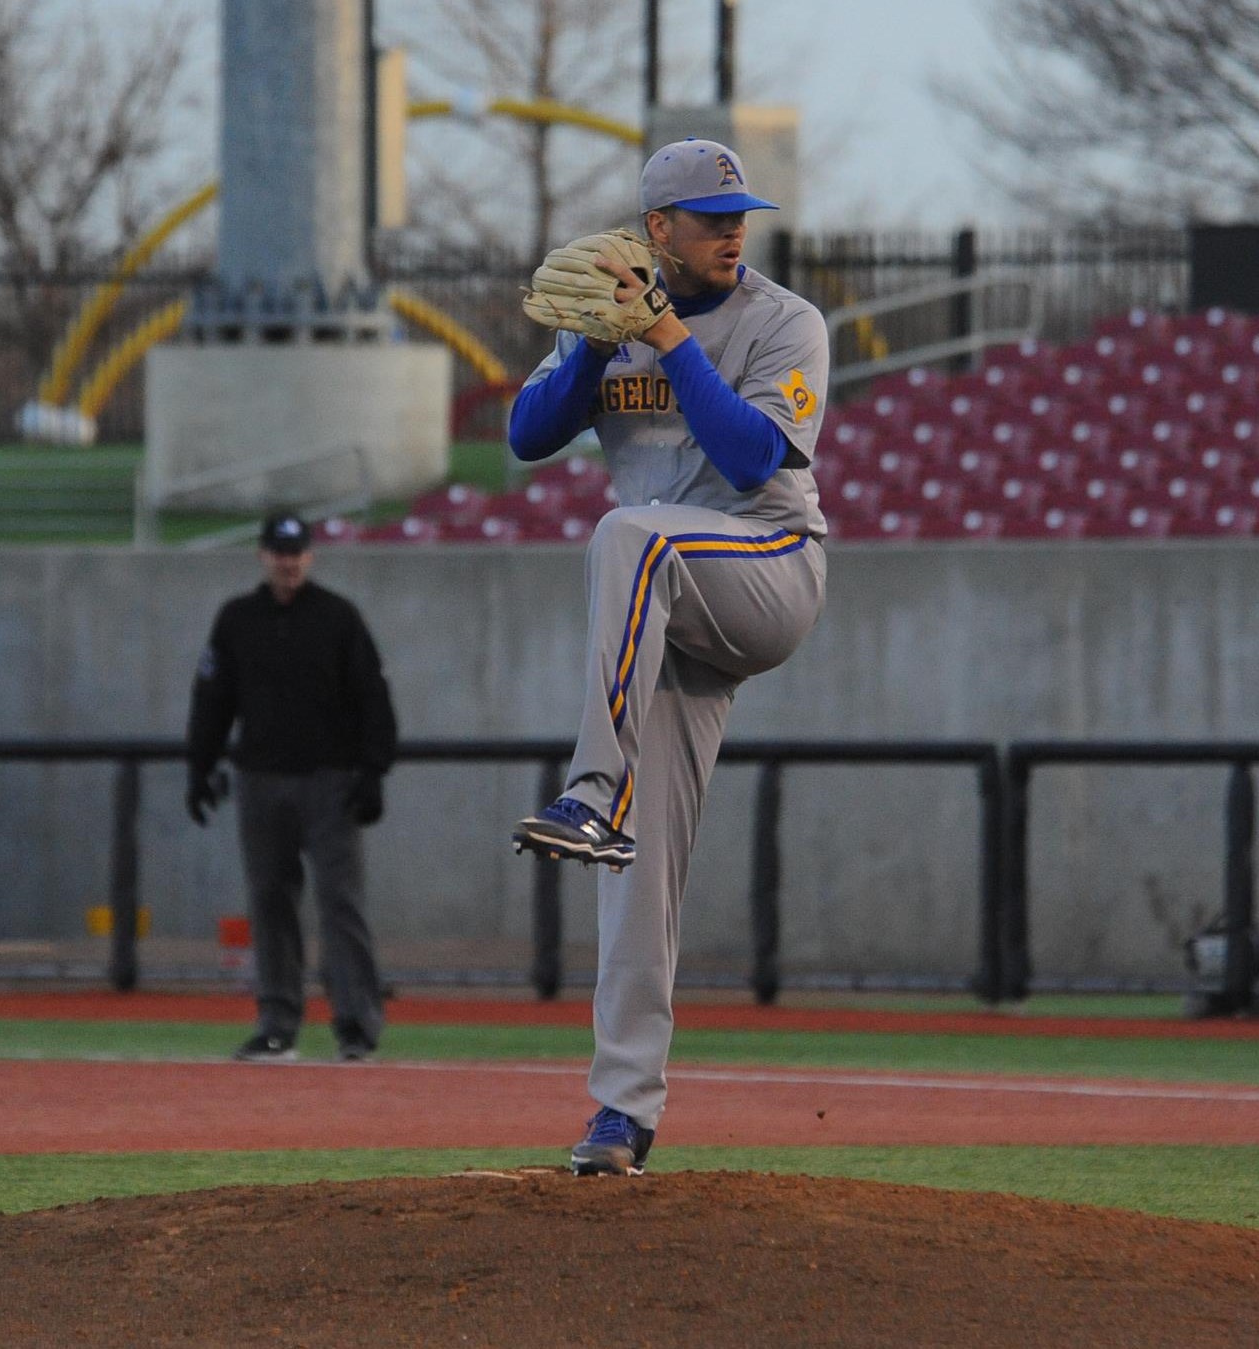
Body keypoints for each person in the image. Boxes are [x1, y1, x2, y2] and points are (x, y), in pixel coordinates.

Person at [507, 138, 830, 1174]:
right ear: (657, 229)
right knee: (637, 869)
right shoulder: (613, 313)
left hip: (768, 572)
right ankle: (621, 1110)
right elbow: (525, 435)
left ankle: (591, 783)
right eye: (707, 216)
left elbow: (747, 459)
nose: (731, 230)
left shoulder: (785, 322)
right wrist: (598, 349)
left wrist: (665, 338)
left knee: (626, 532)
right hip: (663, 612)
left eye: (739, 213)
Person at [185, 509, 398, 1064]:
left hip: (330, 780)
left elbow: (373, 699)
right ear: (263, 555)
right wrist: (200, 768)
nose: (289, 562)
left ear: (310, 555)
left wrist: (372, 772)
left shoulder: (337, 617)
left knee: (339, 904)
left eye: (297, 552)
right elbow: (212, 701)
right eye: (280, 553)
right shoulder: (238, 619)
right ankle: (277, 1022)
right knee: (269, 902)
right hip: (260, 778)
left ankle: (356, 1024)